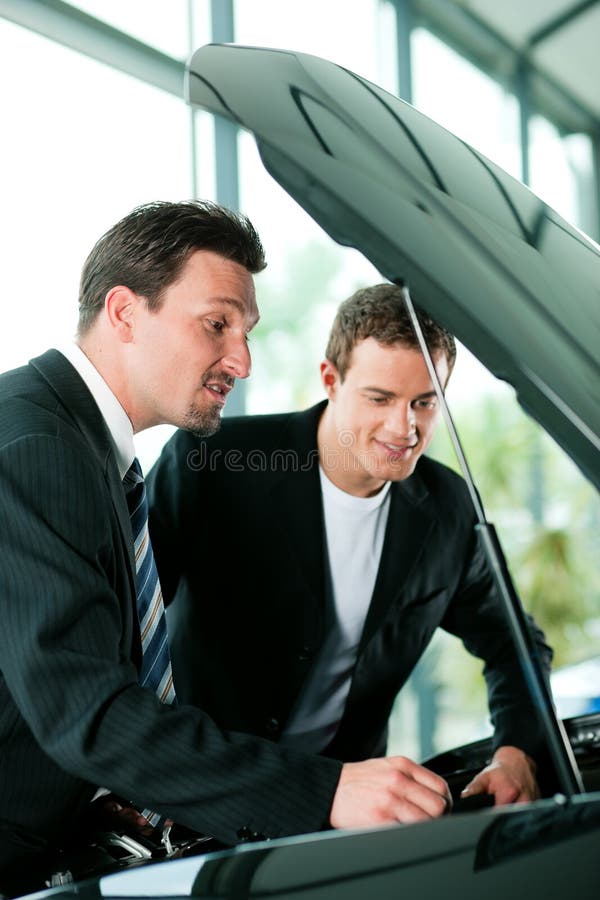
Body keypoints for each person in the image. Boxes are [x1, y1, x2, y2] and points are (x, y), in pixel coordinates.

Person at [0, 205, 452, 895]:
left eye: (246, 332)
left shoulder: (81, 447)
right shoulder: (39, 449)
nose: (241, 360)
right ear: (124, 312)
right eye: (217, 324)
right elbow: (88, 713)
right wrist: (323, 791)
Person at [147, 282, 553, 815]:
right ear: (330, 380)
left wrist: (517, 749)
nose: (403, 428)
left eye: (425, 402)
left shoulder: (449, 508)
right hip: (200, 797)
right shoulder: (212, 464)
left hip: (349, 815)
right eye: (380, 398)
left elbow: (514, 643)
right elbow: (124, 633)